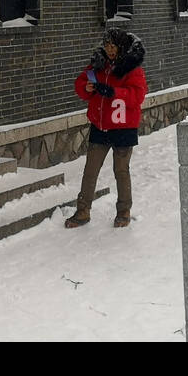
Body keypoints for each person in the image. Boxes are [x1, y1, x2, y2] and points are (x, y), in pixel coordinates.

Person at [65, 28, 147, 228]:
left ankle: (123, 211)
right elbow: (82, 82)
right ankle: (83, 211)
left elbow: (137, 96)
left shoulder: (131, 69)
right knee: (90, 170)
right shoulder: (97, 66)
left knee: (121, 171)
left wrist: (114, 92)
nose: (109, 50)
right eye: (107, 46)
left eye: (113, 46)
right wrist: (86, 88)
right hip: (100, 126)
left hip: (123, 128)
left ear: (120, 47)